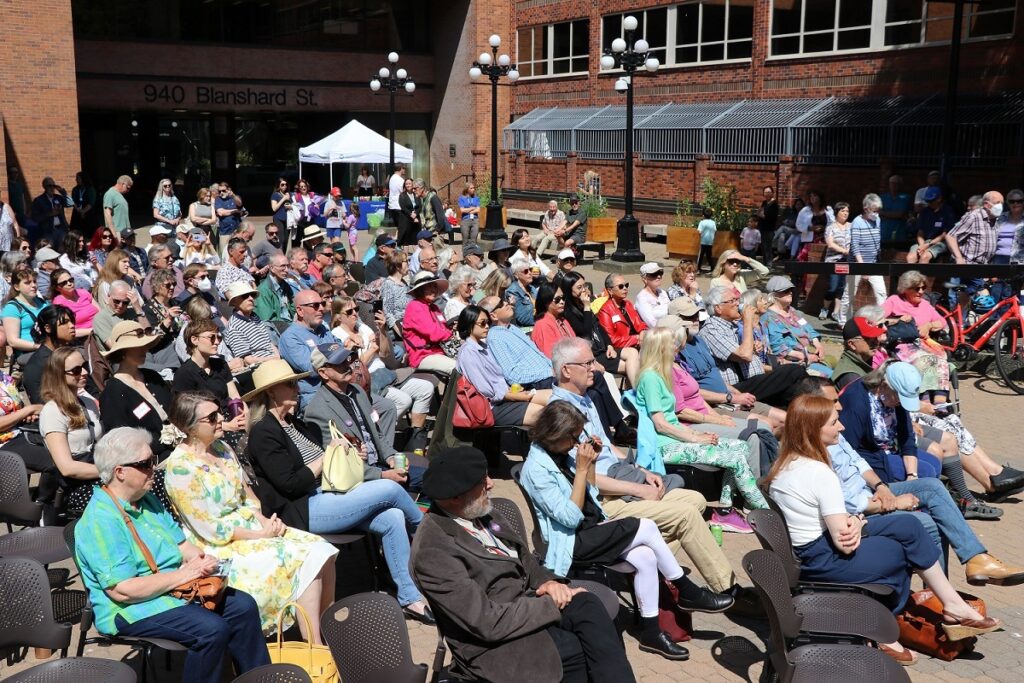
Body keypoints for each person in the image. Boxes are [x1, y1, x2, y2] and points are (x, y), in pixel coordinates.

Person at [764, 396, 1000, 646]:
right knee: (900, 553)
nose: (842, 427)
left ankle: (950, 605)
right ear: (813, 430)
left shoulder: (785, 465)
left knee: (909, 526)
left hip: (808, 548)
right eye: (834, 423)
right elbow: (845, 544)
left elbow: (827, 518)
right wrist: (855, 524)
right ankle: (883, 628)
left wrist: (856, 521)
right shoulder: (820, 473)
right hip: (820, 558)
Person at [548, 338, 754, 606]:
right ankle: (727, 590)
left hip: (620, 477)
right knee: (686, 515)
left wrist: (641, 470)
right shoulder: (561, 415)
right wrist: (638, 488)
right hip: (605, 501)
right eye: (587, 363)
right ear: (566, 370)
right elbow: (587, 478)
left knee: (696, 499)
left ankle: (659, 578)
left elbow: (609, 447)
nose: (595, 368)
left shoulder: (584, 399)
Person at [521, 402, 734, 660]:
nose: (578, 442)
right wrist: (580, 468)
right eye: (574, 437)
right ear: (556, 434)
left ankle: (651, 632)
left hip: (591, 526)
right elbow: (569, 517)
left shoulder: (560, 453)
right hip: (570, 542)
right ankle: (686, 590)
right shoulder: (536, 469)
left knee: (645, 556)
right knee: (644, 525)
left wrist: (590, 465)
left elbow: (591, 493)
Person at [411, 446, 636, 683]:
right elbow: (485, 621)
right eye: (482, 481)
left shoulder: (484, 514)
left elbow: (527, 562)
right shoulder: (433, 549)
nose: (491, 484)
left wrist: (549, 583)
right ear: (455, 496)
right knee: (581, 650)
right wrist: (550, 603)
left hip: (528, 607)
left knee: (588, 606)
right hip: (497, 642)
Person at [74, 427, 270, 683]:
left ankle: (259, 679)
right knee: (211, 631)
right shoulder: (101, 520)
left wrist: (201, 560)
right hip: (131, 608)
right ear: (119, 472)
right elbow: (123, 590)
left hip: (172, 589)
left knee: (243, 606)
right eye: (145, 464)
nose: (153, 468)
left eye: (152, 461)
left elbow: (183, 548)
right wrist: (183, 575)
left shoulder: (147, 500)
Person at [244, 359, 433, 623]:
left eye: (296, 382)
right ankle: (432, 541)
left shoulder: (295, 423)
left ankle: (409, 597)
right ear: (271, 392)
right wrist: (326, 458)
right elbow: (291, 484)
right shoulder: (264, 432)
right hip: (302, 508)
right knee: (390, 487)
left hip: (328, 494)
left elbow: (328, 463)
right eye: (289, 384)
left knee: (392, 517)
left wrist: (349, 454)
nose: (297, 388)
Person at [796, 376, 1024, 587]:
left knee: (932, 487)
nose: (839, 406)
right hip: (857, 514)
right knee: (927, 521)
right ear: (811, 408)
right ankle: (938, 594)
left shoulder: (832, 430)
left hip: (869, 491)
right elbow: (845, 502)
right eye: (833, 401)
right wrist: (894, 502)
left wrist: (881, 486)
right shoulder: (815, 450)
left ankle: (976, 558)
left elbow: (857, 461)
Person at [163, 391, 337, 640]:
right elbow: (211, 529)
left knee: (323, 549)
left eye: (219, 412)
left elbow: (248, 495)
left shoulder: (222, 448)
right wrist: (259, 533)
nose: (221, 419)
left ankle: (324, 631)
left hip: (251, 525)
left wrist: (265, 520)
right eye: (211, 417)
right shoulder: (181, 468)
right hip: (220, 544)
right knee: (304, 555)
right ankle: (316, 645)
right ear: (190, 427)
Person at [635, 327, 767, 529]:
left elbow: (671, 420)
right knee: (733, 457)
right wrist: (695, 438)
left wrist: (696, 433)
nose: (677, 346)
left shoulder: (662, 374)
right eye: (671, 343)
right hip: (664, 446)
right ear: (660, 348)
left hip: (677, 438)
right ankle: (764, 512)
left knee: (740, 447)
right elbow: (660, 424)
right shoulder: (650, 378)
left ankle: (725, 509)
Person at [330, 295, 433, 431]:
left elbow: (384, 353)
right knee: (403, 400)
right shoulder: (338, 335)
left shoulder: (362, 327)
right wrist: (373, 348)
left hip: (385, 374)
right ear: (338, 316)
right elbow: (355, 367)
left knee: (425, 388)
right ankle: (376, 434)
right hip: (368, 380)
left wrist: (382, 330)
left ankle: (415, 436)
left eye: (356, 309)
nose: (355, 313)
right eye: (349, 312)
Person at [698, 286, 808, 408]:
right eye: (732, 301)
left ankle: (817, 413)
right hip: (736, 388)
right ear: (718, 308)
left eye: (737, 300)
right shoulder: (711, 329)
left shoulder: (731, 326)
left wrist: (753, 348)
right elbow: (744, 355)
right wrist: (747, 322)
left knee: (792, 393)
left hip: (753, 380)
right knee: (794, 371)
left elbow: (745, 352)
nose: (737, 304)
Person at [457, 305, 549, 426]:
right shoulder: (469, 352)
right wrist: (513, 396)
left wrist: (512, 391)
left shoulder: (483, 347)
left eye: (488, 322)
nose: (487, 326)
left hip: (507, 396)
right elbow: (485, 390)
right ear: (469, 325)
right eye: (482, 323)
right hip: (493, 407)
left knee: (558, 397)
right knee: (549, 416)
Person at [39, 346, 102, 518]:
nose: (83, 372)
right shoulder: (52, 411)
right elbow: (67, 468)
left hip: (97, 474)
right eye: (75, 370)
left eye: (84, 366)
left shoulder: (87, 402)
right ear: (59, 375)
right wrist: (109, 470)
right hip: (74, 487)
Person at [99, 321, 177, 460]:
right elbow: (122, 440)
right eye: (137, 346)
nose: (144, 349)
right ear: (122, 351)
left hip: (181, 447)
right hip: (154, 459)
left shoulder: (152, 376)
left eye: (145, 345)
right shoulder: (113, 393)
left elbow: (175, 408)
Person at [882, 271, 953, 405]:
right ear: (905, 289)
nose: (921, 291)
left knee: (941, 360)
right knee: (926, 360)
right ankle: (924, 401)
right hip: (902, 344)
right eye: (917, 288)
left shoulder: (925, 304)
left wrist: (929, 325)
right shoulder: (894, 301)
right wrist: (897, 320)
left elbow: (942, 321)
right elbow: (877, 319)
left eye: (923, 288)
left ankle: (940, 404)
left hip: (923, 344)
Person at [560, 271, 639, 386]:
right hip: (593, 354)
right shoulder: (568, 311)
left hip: (603, 348)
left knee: (633, 353)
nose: (583, 290)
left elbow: (599, 326)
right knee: (633, 365)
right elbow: (585, 334)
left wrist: (609, 345)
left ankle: (633, 392)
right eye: (579, 287)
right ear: (569, 289)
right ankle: (636, 394)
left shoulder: (582, 304)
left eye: (584, 286)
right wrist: (587, 307)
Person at [278, 290, 335, 408]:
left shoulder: (323, 328)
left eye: (322, 304)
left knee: (382, 407)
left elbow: (340, 346)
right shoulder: (290, 337)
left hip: (337, 386)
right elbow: (312, 369)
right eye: (315, 305)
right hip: (315, 394)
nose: (321, 309)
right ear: (300, 311)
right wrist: (335, 353)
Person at [762, 275, 828, 371]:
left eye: (791, 290)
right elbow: (778, 347)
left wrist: (818, 345)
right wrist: (805, 356)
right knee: (828, 375)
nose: (790, 293)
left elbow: (808, 328)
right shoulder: (768, 318)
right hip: (790, 363)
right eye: (786, 291)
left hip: (806, 355)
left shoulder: (793, 311)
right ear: (774, 295)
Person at [843, 193, 887, 320]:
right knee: (849, 293)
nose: (877, 213)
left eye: (878, 210)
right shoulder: (857, 222)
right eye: (874, 210)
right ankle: (844, 321)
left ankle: (881, 320)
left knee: (881, 293)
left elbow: (877, 241)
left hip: (873, 263)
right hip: (857, 263)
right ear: (866, 209)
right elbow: (855, 246)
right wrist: (863, 267)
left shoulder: (877, 220)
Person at [404, 271, 457, 374]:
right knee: (457, 368)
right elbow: (435, 334)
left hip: (439, 351)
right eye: (429, 286)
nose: (434, 290)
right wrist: (451, 335)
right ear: (420, 289)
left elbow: (443, 329)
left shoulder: (434, 307)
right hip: (422, 356)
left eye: (435, 286)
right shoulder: (415, 306)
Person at [2, 269, 48, 366]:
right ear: (16, 287)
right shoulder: (12, 308)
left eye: (34, 281)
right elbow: (13, 341)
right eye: (27, 283)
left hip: (49, 346)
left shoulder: (42, 303)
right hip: (28, 352)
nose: (34, 285)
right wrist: (39, 347)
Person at [819, 201, 852, 321]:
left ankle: (836, 312)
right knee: (833, 286)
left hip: (847, 261)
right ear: (837, 212)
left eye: (847, 211)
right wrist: (844, 250)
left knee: (842, 287)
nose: (845, 213)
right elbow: (830, 243)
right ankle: (825, 308)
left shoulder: (851, 226)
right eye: (843, 211)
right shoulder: (831, 227)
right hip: (834, 260)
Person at [596, 274, 647, 349]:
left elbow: (640, 324)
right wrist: (636, 338)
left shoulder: (628, 304)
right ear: (610, 291)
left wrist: (642, 332)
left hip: (639, 342)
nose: (625, 288)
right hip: (623, 349)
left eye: (626, 285)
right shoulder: (605, 310)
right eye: (621, 286)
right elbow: (611, 340)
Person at [531, 283, 575, 359]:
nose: (562, 302)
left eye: (563, 298)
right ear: (546, 302)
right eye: (557, 300)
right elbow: (551, 357)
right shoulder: (543, 324)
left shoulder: (562, 319)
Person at [50, 267, 98, 336]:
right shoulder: (59, 303)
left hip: (100, 328)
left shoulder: (83, 292)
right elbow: (67, 331)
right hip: (84, 337)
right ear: (57, 288)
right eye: (64, 283)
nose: (69, 283)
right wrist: (93, 331)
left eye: (71, 280)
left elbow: (100, 311)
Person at [255, 253, 296, 324]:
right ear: (272, 268)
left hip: (291, 324)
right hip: (278, 328)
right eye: (282, 266)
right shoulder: (263, 290)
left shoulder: (285, 285)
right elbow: (268, 320)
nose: (286, 270)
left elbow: (293, 308)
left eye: (288, 266)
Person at [793, 189, 834, 258]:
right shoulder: (805, 210)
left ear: (820, 197)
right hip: (809, 240)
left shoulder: (828, 209)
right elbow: (798, 225)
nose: (812, 197)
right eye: (811, 196)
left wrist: (824, 228)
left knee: (822, 260)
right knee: (806, 259)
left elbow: (833, 224)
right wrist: (810, 228)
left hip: (824, 239)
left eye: (814, 196)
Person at [31, 176, 72, 245]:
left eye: (53, 185)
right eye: (49, 186)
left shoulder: (59, 197)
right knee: (50, 252)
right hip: (48, 231)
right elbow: (35, 218)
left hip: (61, 229)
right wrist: (49, 214)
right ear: (44, 187)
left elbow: (70, 204)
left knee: (62, 250)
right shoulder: (38, 200)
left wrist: (63, 193)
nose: (52, 188)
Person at [380, 250, 412, 333]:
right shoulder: (388, 284)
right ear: (397, 266)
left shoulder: (404, 282)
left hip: (410, 324)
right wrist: (401, 333)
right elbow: (388, 312)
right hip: (400, 330)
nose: (409, 263)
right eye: (406, 261)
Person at [506, 254, 540, 327]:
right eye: (526, 271)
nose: (530, 273)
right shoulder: (512, 292)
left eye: (530, 270)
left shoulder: (531, 288)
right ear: (516, 275)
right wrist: (543, 319)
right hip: (525, 328)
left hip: (537, 323)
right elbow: (524, 318)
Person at [880, 174, 914, 242]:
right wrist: (894, 215)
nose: (894, 185)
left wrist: (884, 213)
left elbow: (901, 214)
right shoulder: (883, 197)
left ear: (900, 185)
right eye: (892, 183)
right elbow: (878, 213)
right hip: (884, 231)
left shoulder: (906, 198)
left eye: (896, 183)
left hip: (899, 230)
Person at [635, 262, 670, 328]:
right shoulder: (642, 297)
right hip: (656, 334)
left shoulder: (662, 292)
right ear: (645, 279)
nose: (659, 276)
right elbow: (652, 324)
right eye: (654, 274)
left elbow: (672, 310)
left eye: (660, 273)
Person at [396, 177, 422, 247]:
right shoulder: (402, 195)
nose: (408, 185)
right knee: (405, 240)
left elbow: (420, 206)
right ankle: (405, 254)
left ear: (412, 184)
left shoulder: (416, 194)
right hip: (406, 218)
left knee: (416, 238)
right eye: (406, 184)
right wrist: (410, 214)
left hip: (416, 218)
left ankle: (416, 254)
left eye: (409, 183)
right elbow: (403, 207)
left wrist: (415, 214)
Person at [757, 185, 779, 263]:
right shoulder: (764, 202)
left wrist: (762, 215)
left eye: (769, 192)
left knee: (768, 247)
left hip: (769, 228)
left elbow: (771, 217)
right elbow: (759, 212)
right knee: (763, 246)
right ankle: (765, 263)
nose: (767, 194)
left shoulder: (774, 204)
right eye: (765, 192)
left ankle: (769, 265)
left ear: (772, 193)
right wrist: (762, 215)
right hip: (762, 227)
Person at [457, 181, 480, 245]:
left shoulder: (476, 198)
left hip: (475, 220)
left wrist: (468, 210)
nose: (473, 189)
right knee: (465, 239)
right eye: (471, 188)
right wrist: (472, 208)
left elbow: (478, 210)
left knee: (474, 239)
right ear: (467, 189)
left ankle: (473, 253)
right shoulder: (461, 198)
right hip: (465, 220)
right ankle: (465, 253)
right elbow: (462, 210)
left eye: (473, 188)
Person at [387, 165, 407, 236]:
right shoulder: (400, 180)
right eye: (404, 168)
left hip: (392, 205)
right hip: (398, 206)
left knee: (397, 227)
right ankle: (400, 242)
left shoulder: (392, 177)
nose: (405, 170)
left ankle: (397, 241)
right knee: (402, 226)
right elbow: (404, 192)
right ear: (400, 169)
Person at [696, 207, 716, 272]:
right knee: (709, 256)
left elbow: (699, 231)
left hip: (703, 241)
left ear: (703, 215)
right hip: (710, 242)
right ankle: (712, 267)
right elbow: (715, 230)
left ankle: (698, 268)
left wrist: (700, 237)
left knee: (701, 255)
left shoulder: (702, 222)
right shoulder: (713, 222)